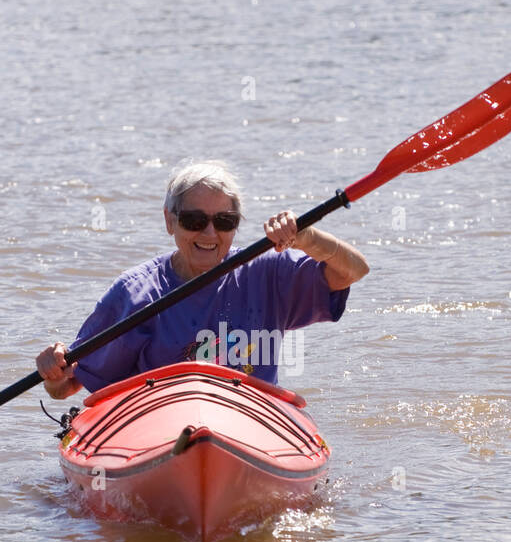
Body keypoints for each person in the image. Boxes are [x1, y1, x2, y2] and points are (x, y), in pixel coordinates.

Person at [36, 160, 369, 399]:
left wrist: (307, 237)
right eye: (194, 219)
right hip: (162, 425)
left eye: (224, 221)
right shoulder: (136, 291)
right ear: (170, 221)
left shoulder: (268, 272)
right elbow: (65, 387)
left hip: (252, 419)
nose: (210, 233)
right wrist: (52, 369)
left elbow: (354, 270)